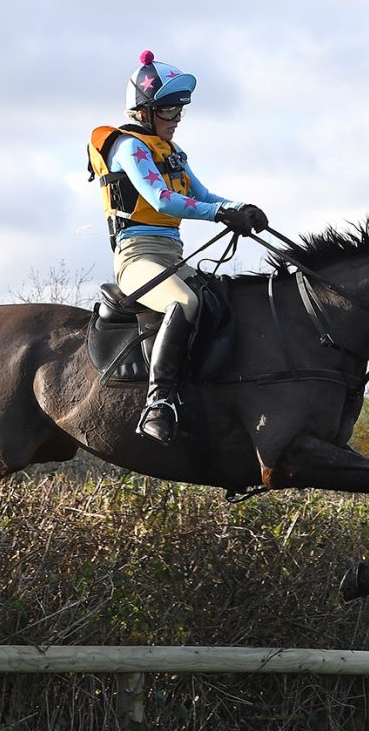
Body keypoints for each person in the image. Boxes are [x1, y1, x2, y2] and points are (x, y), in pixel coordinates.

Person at [87, 50, 268, 445]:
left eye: (180, 110)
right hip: (137, 256)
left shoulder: (171, 152)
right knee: (184, 304)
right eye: (169, 111)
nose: (178, 118)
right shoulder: (129, 148)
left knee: (222, 299)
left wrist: (242, 208)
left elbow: (203, 193)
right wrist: (220, 213)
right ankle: (158, 403)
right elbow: (161, 199)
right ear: (146, 111)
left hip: (171, 254)